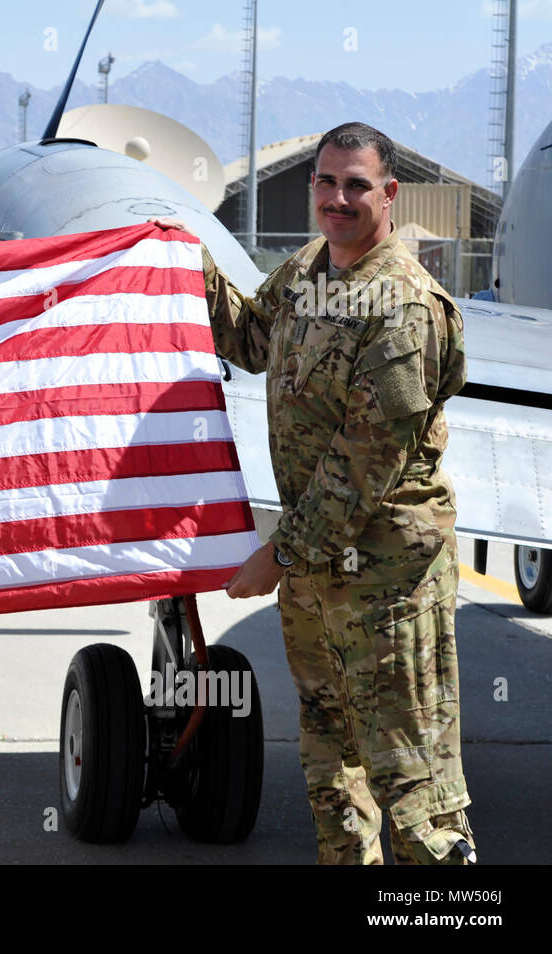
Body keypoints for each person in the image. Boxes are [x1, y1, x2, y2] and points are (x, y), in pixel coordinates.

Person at [156, 121, 475, 864]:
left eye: (357, 185)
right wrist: (181, 258)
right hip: (317, 580)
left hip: (387, 588)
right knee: (335, 782)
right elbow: (248, 340)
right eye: (327, 182)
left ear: (389, 194)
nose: (339, 198)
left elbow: (365, 463)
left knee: (417, 796)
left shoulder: (402, 307)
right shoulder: (307, 271)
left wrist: (280, 554)